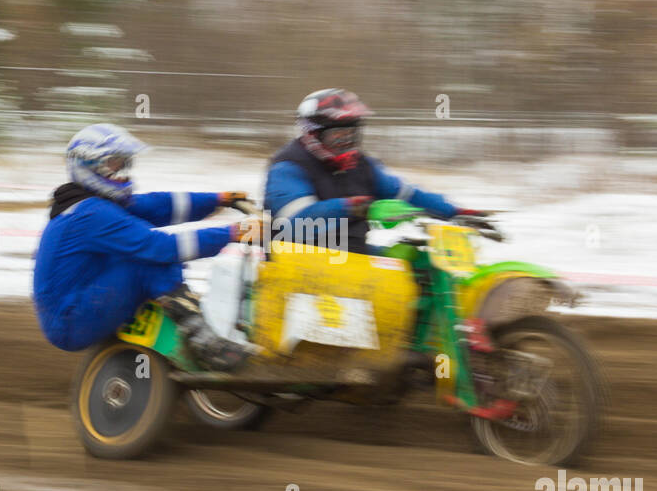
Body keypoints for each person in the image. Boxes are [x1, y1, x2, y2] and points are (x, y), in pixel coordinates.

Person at [32, 123, 259, 370]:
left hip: (77, 305)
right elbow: (161, 247)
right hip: (69, 321)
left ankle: (188, 333)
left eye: (124, 164)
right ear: (88, 167)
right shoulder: (90, 213)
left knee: (148, 258)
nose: (121, 174)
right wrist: (233, 233)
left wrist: (218, 200)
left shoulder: (94, 204)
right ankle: (205, 344)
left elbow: (158, 205)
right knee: (151, 262)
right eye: (114, 165)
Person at [263, 88, 496, 254]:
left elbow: (405, 194)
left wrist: (455, 212)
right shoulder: (288, 166)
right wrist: (358, 207)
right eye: (337, 135)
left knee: (416, 265)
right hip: (300, 256)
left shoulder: (361, 165)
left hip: (353, 253)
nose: (346, 142)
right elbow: (294, 221)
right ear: (312, 133)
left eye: (351, 134)